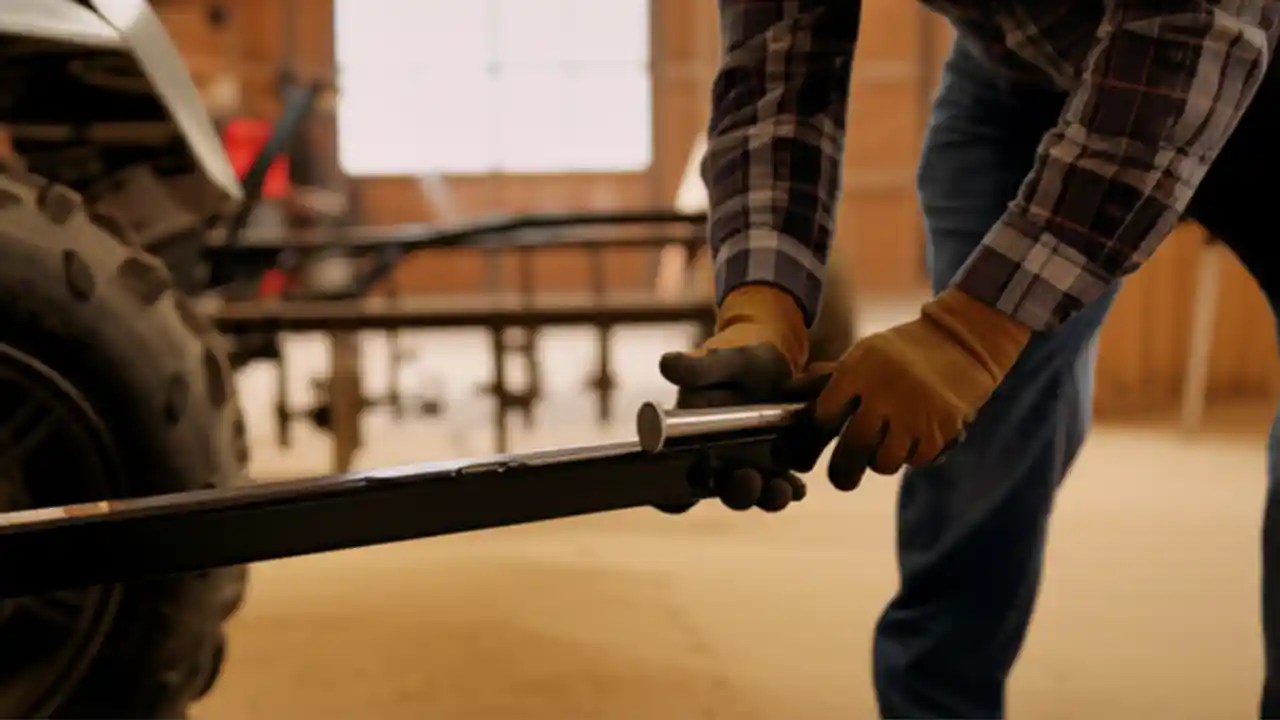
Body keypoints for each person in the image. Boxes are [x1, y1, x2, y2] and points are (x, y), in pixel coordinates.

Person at [657, 1, 1280, 717]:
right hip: (1026, 68)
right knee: (968, 442)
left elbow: (1186, 36)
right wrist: (758, 315)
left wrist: (970, 335)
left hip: (1232, 44)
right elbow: (778, 60)